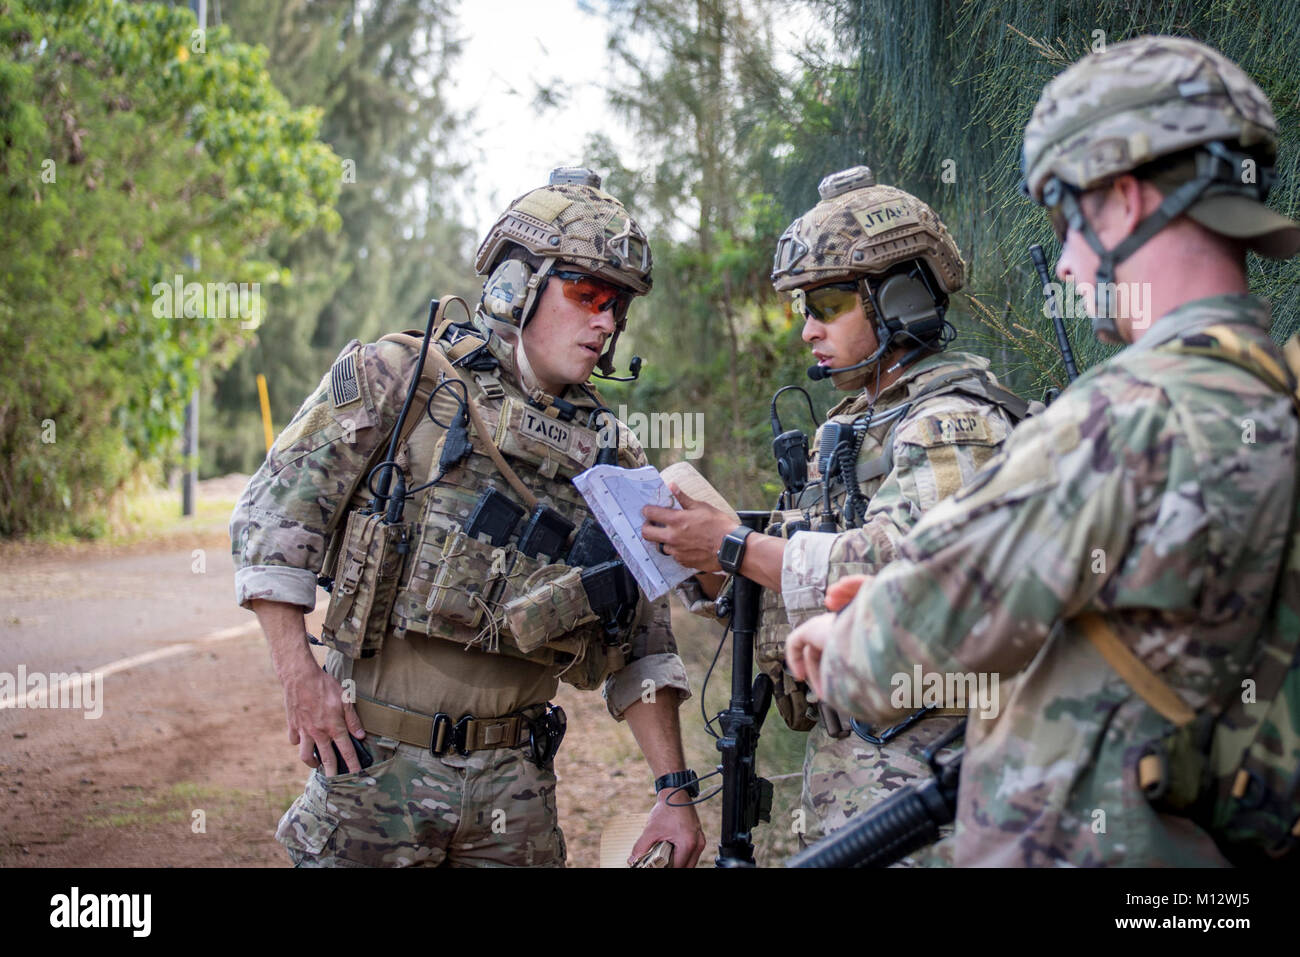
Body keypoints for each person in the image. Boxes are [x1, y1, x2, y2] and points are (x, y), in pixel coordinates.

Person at [786, 35, 1300, 866]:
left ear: (1125, 199)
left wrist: (839, 640)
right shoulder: (1279, 399)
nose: (1063, 259)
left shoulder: (1125, 414)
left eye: (1066, 218)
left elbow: (905, 642)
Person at [232, 167, 706, 867]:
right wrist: (302, 682)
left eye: (619, 305)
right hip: (372, 769)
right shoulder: (399, 377)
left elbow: (642, 641)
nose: (606, 321)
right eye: (587, 294)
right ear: (516, 286)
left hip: (513, 791)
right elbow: (271, 523)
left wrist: (673, 790)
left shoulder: (612, 452)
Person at [642, 166, 1029, 846]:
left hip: (934, 784)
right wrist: (704, 557)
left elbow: (901, 566)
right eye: (803, 310)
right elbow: (806, 583)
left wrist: (734, 546)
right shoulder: (859, 427)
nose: (806, 332)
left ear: (899, 297)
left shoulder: (954, 422)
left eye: (824, 304)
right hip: (860, 768)